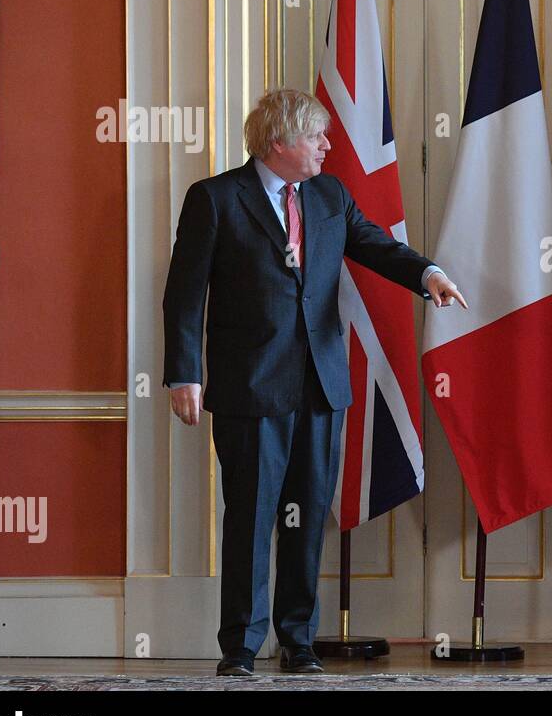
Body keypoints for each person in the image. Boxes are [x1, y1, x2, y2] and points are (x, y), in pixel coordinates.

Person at [162, 88, 467, 676]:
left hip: (321, 387)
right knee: (251, 517)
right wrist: (183, 373)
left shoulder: (328, 194)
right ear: (280, 142)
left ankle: (298, 640)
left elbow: (375, 246)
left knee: (307, 512)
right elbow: (184, 292)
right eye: (316, 137)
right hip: (250, 388)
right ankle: (241, 649)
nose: (328, 146)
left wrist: (426, 272)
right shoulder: (217, 199)